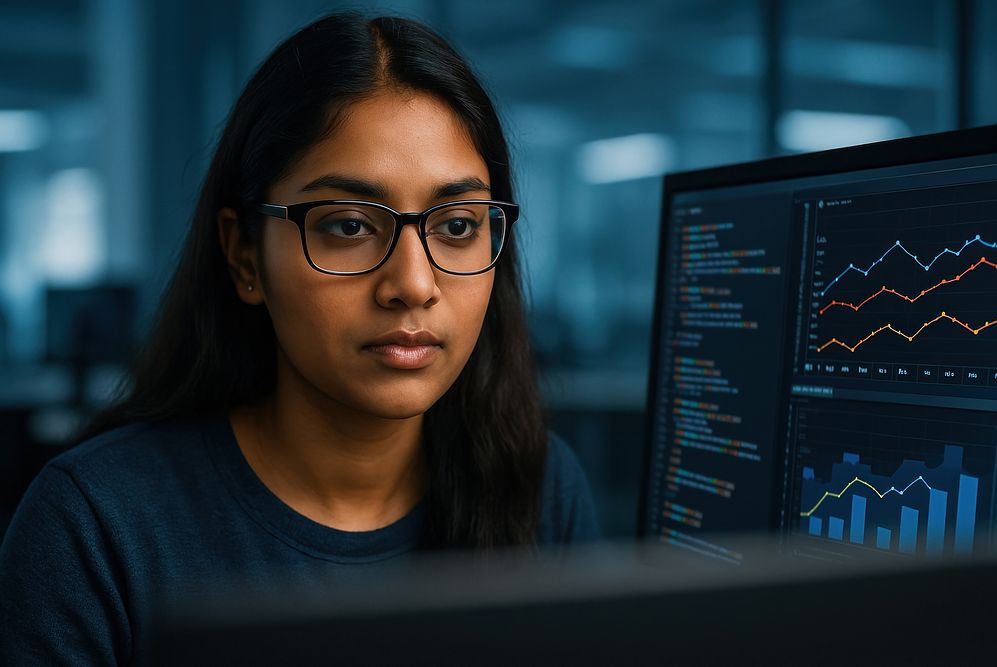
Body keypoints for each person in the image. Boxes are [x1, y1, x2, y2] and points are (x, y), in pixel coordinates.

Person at [0, 12, 600, 664]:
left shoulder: (539, 489)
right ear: (246, 257)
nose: (413, 283)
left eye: (457, 225)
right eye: (346, 225)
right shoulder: (95, 524)